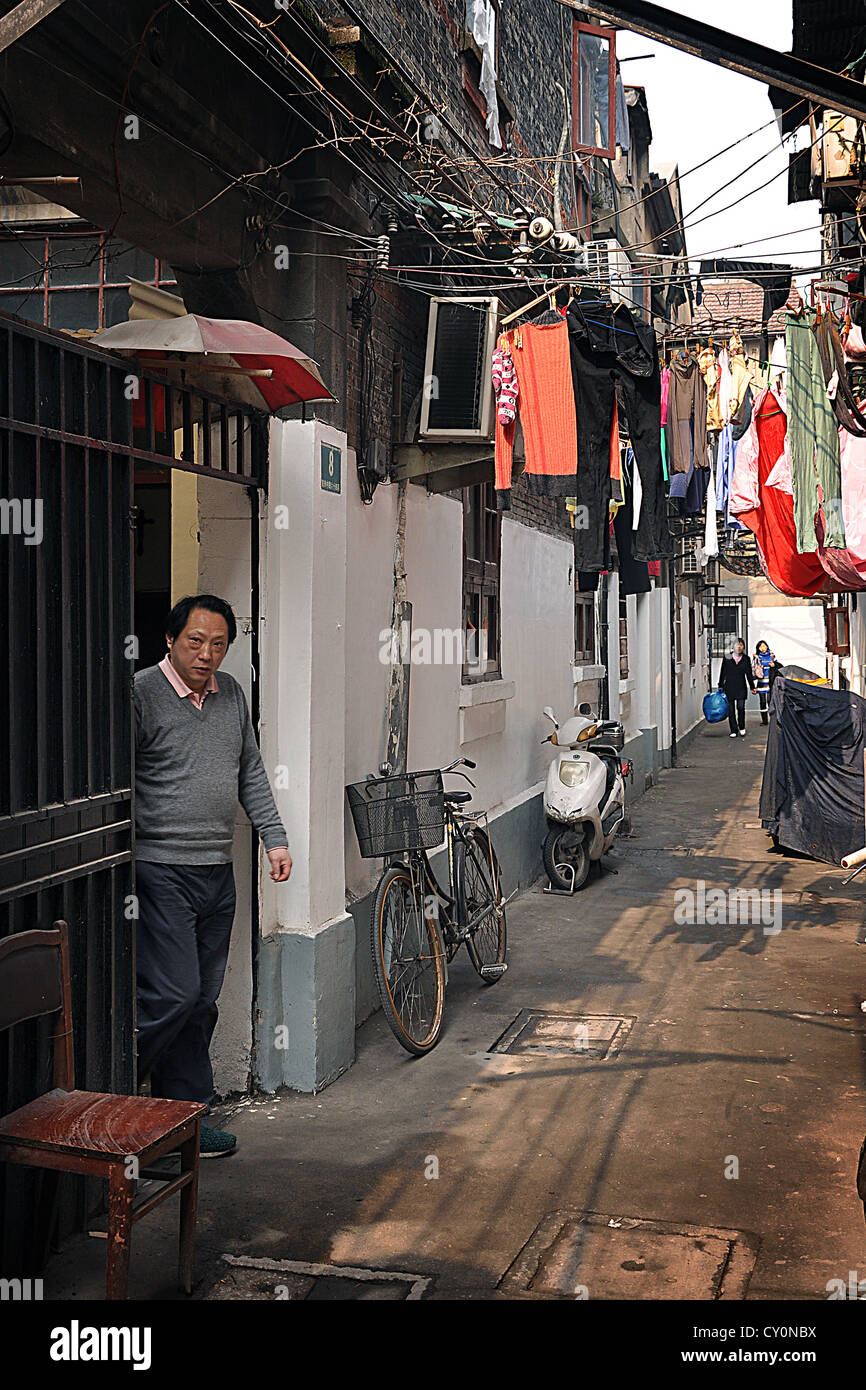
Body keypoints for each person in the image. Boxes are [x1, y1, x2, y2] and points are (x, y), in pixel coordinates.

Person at [133, 594, 292, 1157]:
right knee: (174, 996)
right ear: (170, 641)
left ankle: (186, 1125)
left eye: (218, 644)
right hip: (160, 869)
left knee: (201, 1003)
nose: (206, 654)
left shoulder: (231, 695)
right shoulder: (141, 693)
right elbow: (116, 779)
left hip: (216, 872)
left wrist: (274, 837)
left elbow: (250, 769)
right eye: (195, 641)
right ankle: (114, 1100)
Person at [718, 637, 755, 738]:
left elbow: (748, 674)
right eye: (737, 644)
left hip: (741, 687)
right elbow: (723, 672)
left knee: (741, 707)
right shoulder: (727, 657)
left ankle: (742, 727)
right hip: (729, 687)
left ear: (743, 647)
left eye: (741, 645)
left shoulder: (746, 659)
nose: (739, 647)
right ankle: (733, 729)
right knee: (731, 710)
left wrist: (752, 687)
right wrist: (720, 685)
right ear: (733, 646)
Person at [752, 639, 777, 725]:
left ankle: (773, 719)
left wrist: (773, 665)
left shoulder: (772, 655)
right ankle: (764, 720)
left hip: (770, 681)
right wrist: (756, 660)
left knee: (770, 701)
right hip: (761, 682)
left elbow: (777, 666)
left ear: (767, 646)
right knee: (762, 701)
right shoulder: (757, 657)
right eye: (760, 647)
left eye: (763, 646)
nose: (762, 648)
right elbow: (755, 668)